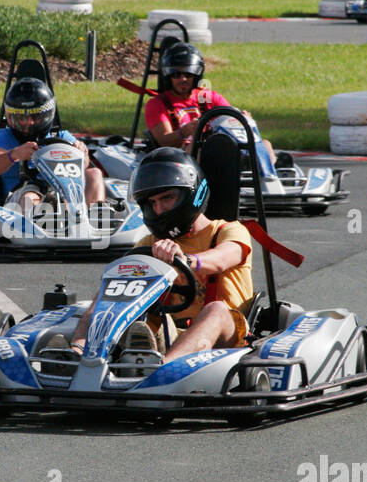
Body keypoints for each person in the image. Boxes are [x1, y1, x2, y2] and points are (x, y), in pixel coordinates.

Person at [69, 147, 254, 363]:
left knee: (216, 309)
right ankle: (77, 353)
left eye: (167, 198)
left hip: (228, 338)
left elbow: (222, 259)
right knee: (109, 294)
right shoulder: (150, 243)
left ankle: (162, 370)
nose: (159, 210)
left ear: (192, 194)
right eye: (152, 203)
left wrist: (186, 260)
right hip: (172, 334)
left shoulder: (227, 231)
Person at [144, 40, 282, 170]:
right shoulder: (157, 104)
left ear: (196, 75)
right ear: (168, 77)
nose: (183, 79)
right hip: (181, 157)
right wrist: (184, 131)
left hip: (217, 149)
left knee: (265, 144)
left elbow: (230, 117)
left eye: (188, 74)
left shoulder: (207, 97)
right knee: (198, 147)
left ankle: (268, 173)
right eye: (176, 74)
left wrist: (242, 119)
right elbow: (163, 141)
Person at [0, 75, 105, 208]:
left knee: (94, 173)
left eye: (34, 117)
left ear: (46, 114)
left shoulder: (59, 135)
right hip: (20, 196)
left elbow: (86, 165)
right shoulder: (5, 137)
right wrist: (15, 154)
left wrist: (82, 153)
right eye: (21, 118)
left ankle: (97, 219)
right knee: (30, 196)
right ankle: (41, 220)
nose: (28, 123)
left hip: (63, 192)